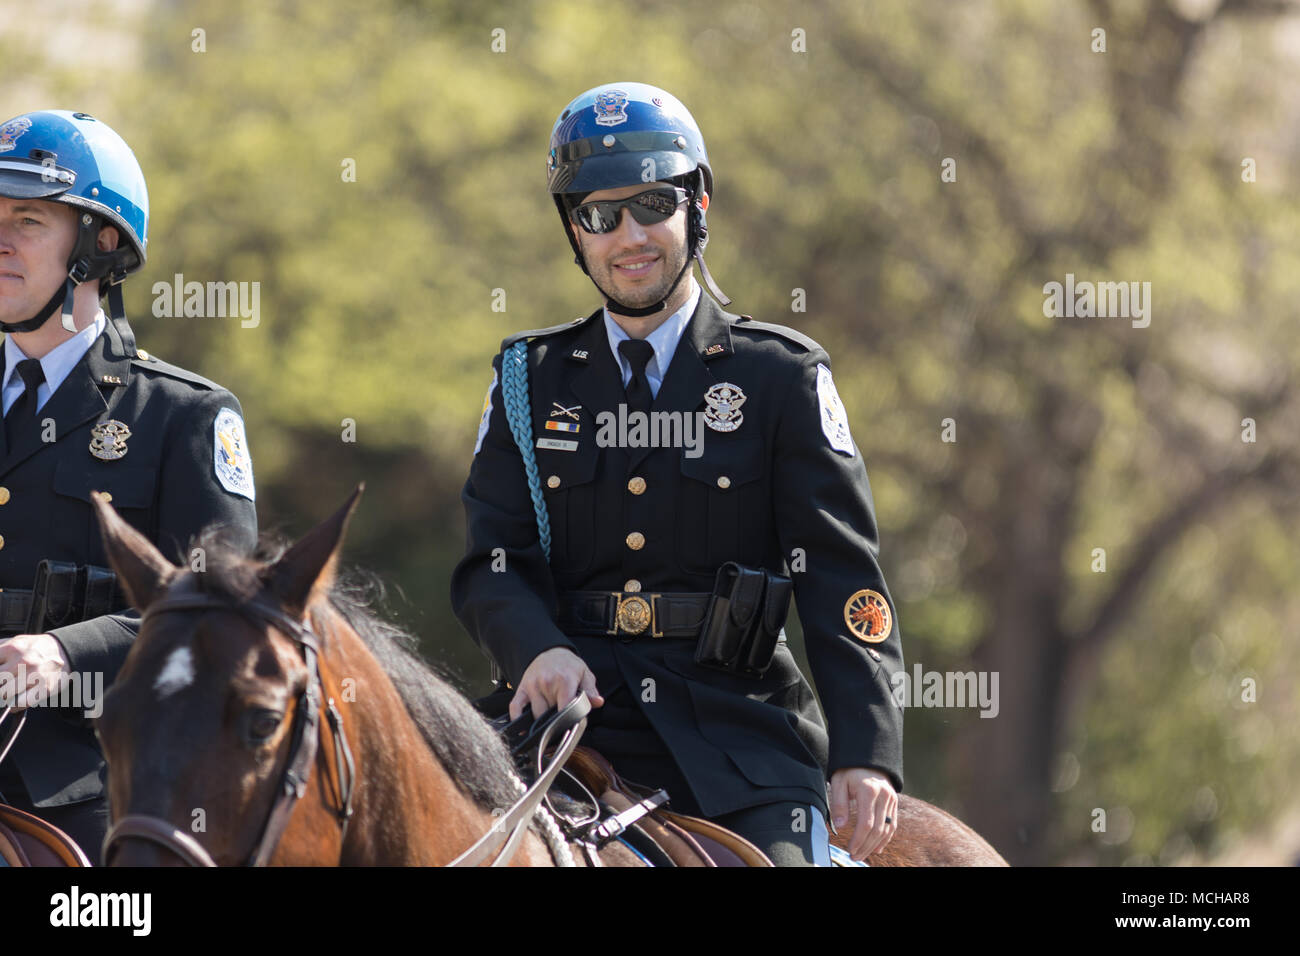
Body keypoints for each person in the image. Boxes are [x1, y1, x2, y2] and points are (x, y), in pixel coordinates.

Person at [451, 83, 902, 866]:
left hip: (739, 737)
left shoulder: (779, 378)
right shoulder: (528, 379)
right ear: (574, 231)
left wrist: (866, 751)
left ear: (698, 206)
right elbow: (491, 565)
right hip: (566, 722)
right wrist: (534, 650)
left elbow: (841, 580)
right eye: (599, 214)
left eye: (653, 203)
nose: (629, 236)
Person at [0, 110, 258, 864]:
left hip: (90, 774)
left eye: (28, 219)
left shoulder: (185, 415)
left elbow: (217, 610)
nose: (0, 239)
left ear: (99, 245)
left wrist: (65, 654)